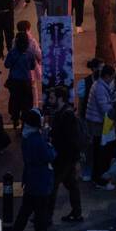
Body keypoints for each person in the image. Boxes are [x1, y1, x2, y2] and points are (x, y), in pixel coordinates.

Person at [9, 109, 56, 231]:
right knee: (41, 209)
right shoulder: (37, 139)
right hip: (40, 177)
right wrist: (51, 147)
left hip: (30, 176)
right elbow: (49, 155)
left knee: (26, 207)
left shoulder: (26, 137)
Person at [48, 85, 84, 223]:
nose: (50, 100)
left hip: (64, 157)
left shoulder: (66, 114)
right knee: (71, 184)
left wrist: (76, 158)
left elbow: (71, 139)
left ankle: (46, 216)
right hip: (66, 156)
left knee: (53, 186)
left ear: (60, 98)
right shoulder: (63, 112)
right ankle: (76, 212)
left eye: (52, 97)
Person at [86, 63, 116, 186]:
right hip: (98, 123)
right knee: (100, 152)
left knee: (98, 151)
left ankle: (97, 178)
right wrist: (114, 107)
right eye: (112, 77)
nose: (112, 80)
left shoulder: (99, 85)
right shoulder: (100, 88)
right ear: (107, 76)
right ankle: (99, 180)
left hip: (96, 121)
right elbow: (105, 108)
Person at [4, 31, 37, 130]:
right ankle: (24, 123)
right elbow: (33, 66)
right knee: (26, 103)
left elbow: (7, 65)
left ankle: (15, 119)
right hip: (26, 81)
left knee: (15, 101)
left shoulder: (12, 52)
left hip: (14, 81)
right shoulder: (30, 52)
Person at [15, 18, 43, 107]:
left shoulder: (14, 41)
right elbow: (38, 53)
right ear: (28, 29)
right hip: (30, 69)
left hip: (18, 69)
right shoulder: (32, 40)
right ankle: (35, 106)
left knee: (20, 89)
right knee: (33, 87)